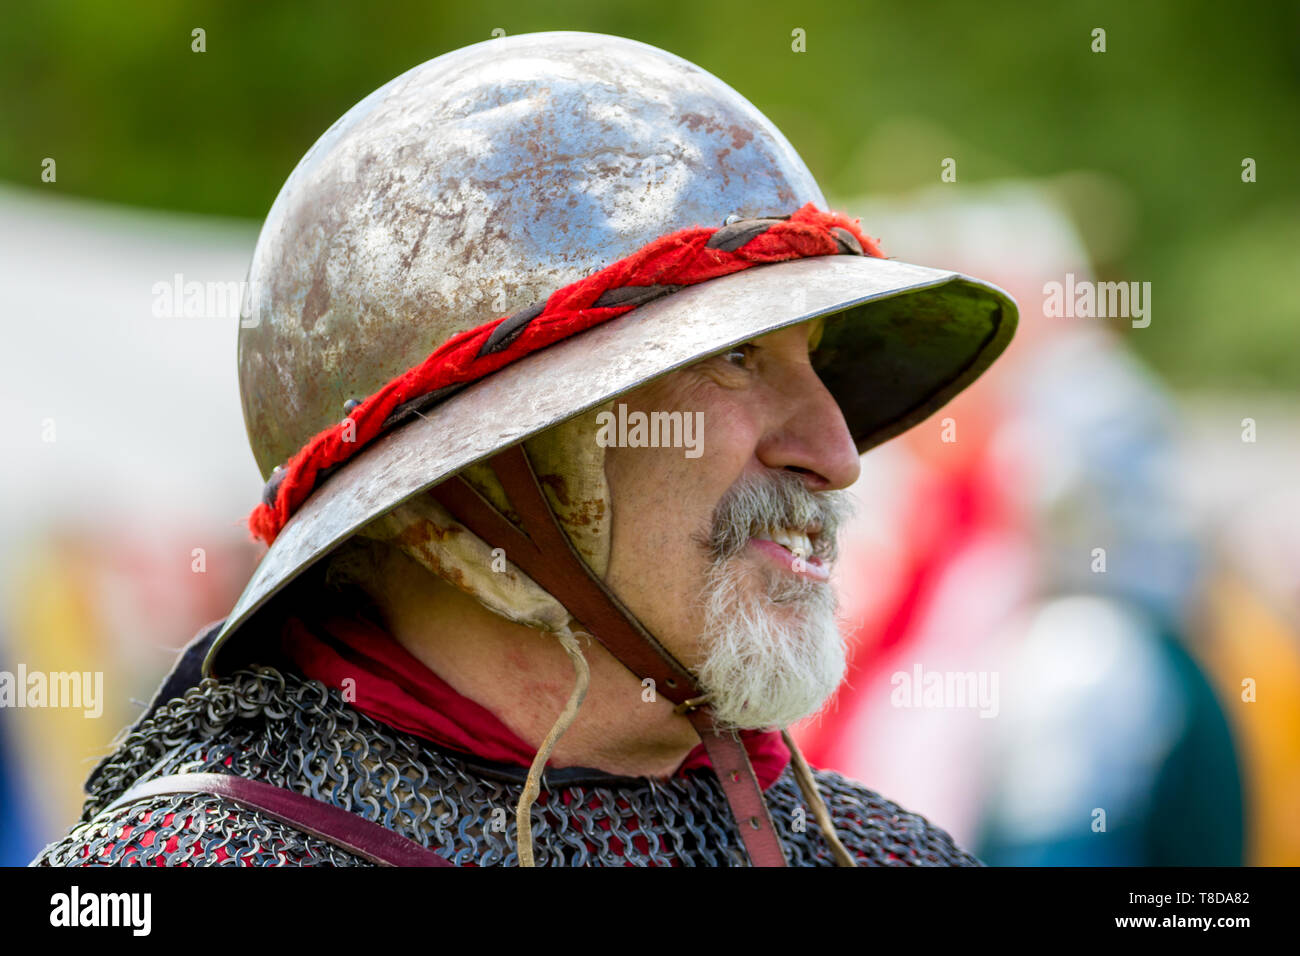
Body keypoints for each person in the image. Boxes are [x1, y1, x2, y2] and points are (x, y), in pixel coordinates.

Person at [33, 31, 1017, 867]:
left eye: (816, 364)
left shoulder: (882, 852)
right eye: (734, 359)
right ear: (478, 482)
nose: (837, 452)